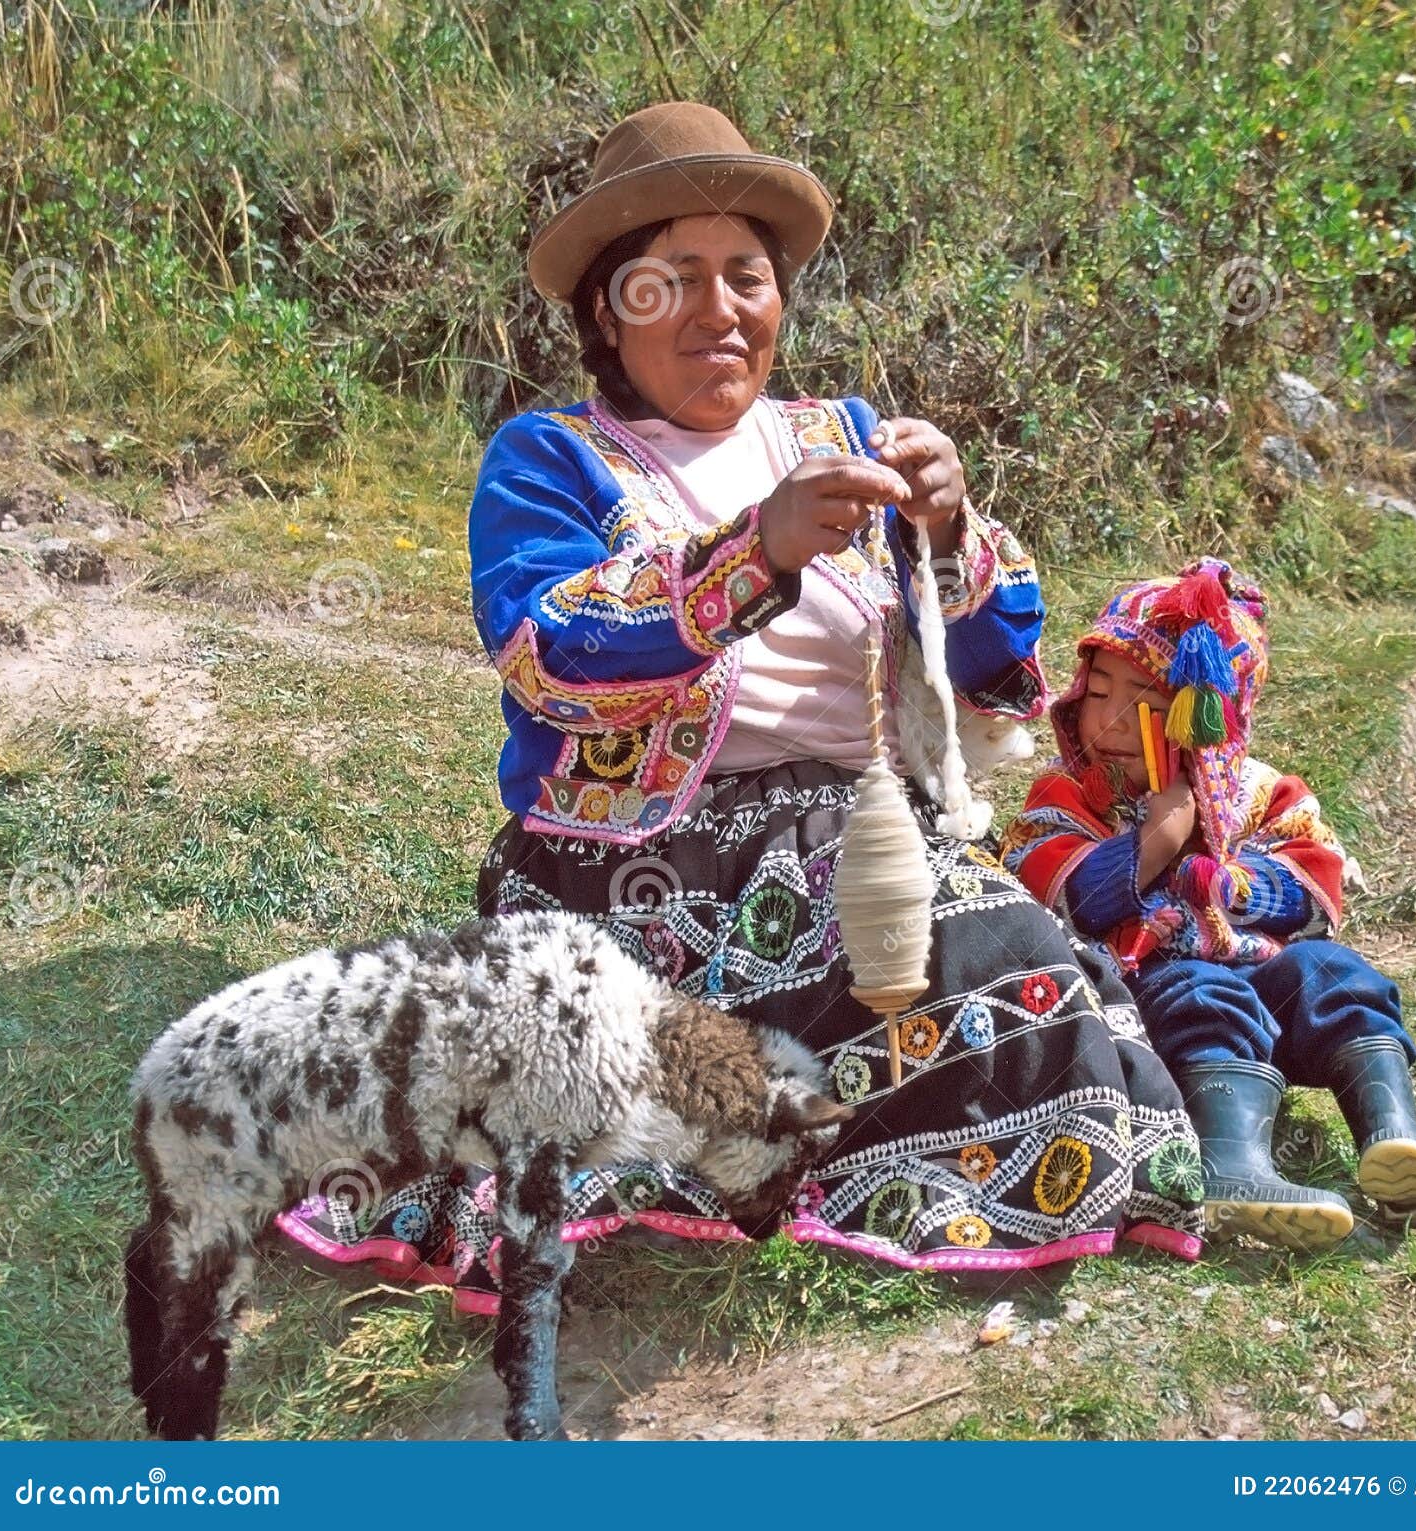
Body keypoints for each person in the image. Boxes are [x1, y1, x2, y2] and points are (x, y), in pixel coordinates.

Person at [278, 102, 1203, 1313]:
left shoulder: (845, 436)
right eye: (674, 281)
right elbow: (547, 647)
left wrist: (947, 530)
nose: (720, 311)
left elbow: (988, 659)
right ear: (609, 311)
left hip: (857, 834)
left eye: (747, 278)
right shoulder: (551, 458)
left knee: (1018, 961)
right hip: (633, 863)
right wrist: (749, 553)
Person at [999, 558, 1416, 1251]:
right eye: (1098, 690)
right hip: (1148, 997)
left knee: (1334, 973)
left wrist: (1231, 885)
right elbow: (1076, 896)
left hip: (1261, 980)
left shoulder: (1261, 793)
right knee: (1201, 989)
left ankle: (1391, 1131)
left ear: (1205, 716)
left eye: (1146, 695)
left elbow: (1316, 885)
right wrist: (1161, 835)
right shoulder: (1066, 794)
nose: (1113, 717)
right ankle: (1231, 1162)